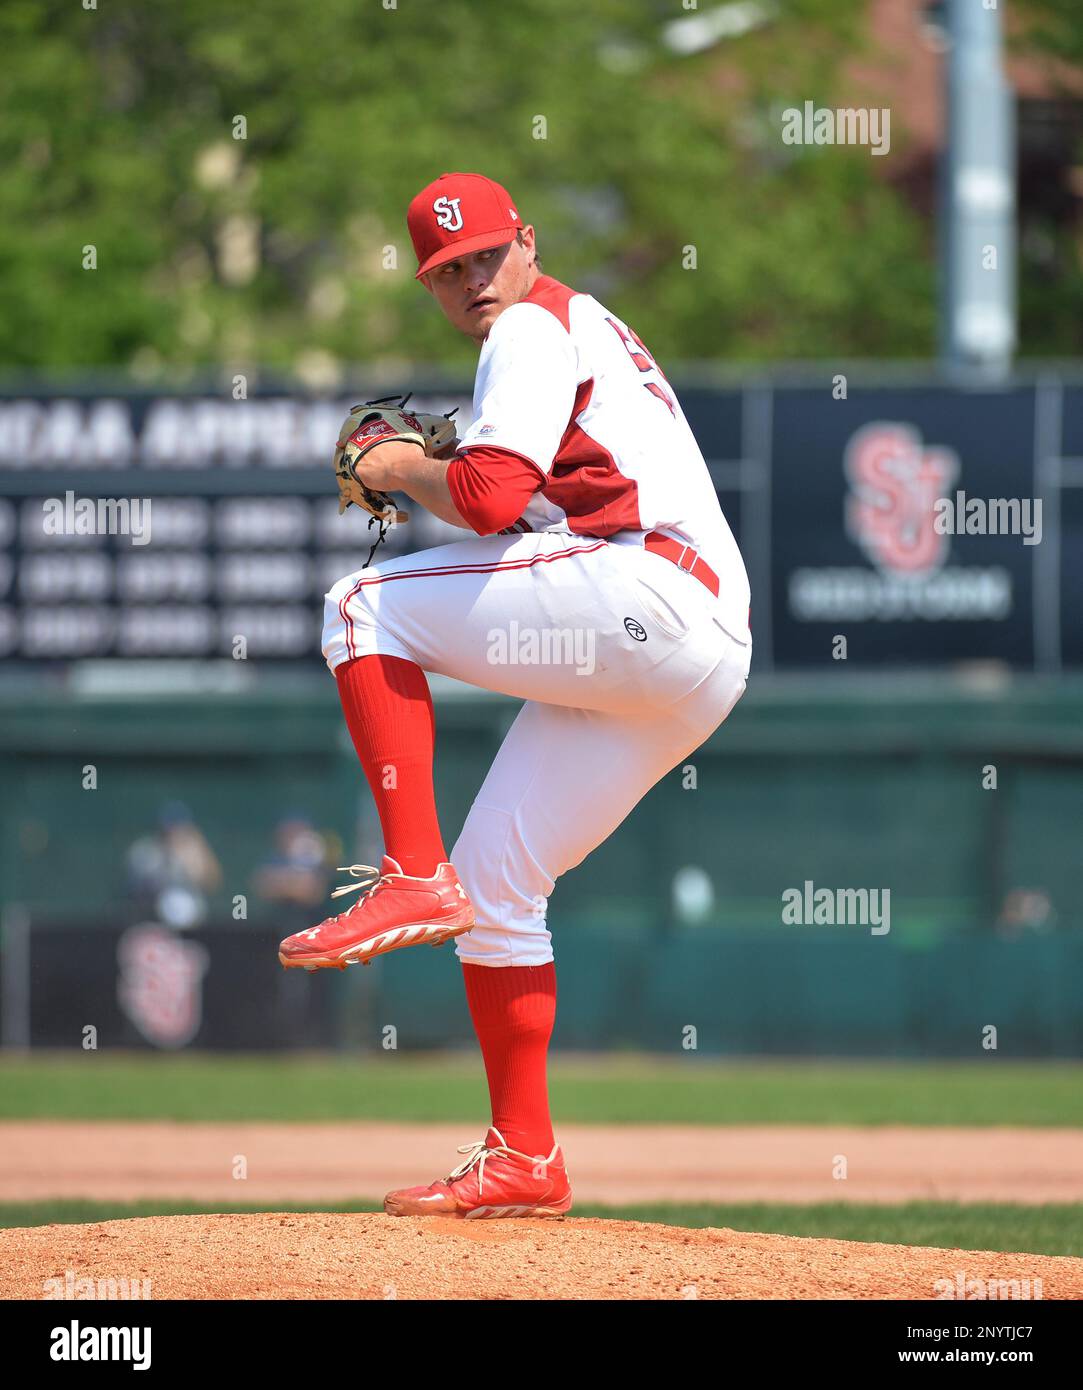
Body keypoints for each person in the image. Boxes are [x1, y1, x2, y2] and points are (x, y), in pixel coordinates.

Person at [279, 172, 752, 1219]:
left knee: (358, 607)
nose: (472, 280)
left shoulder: (531, 332)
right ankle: (524, 1155)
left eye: (485, 254)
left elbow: (491, 501)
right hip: (692, 655)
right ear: (430, 288)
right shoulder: (574, 331)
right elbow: (526, 498)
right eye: (448, 271)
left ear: (527, 244)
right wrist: (448, 467)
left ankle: (410, 868)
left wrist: (399, 463)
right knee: (497, 884)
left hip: (649, 594)